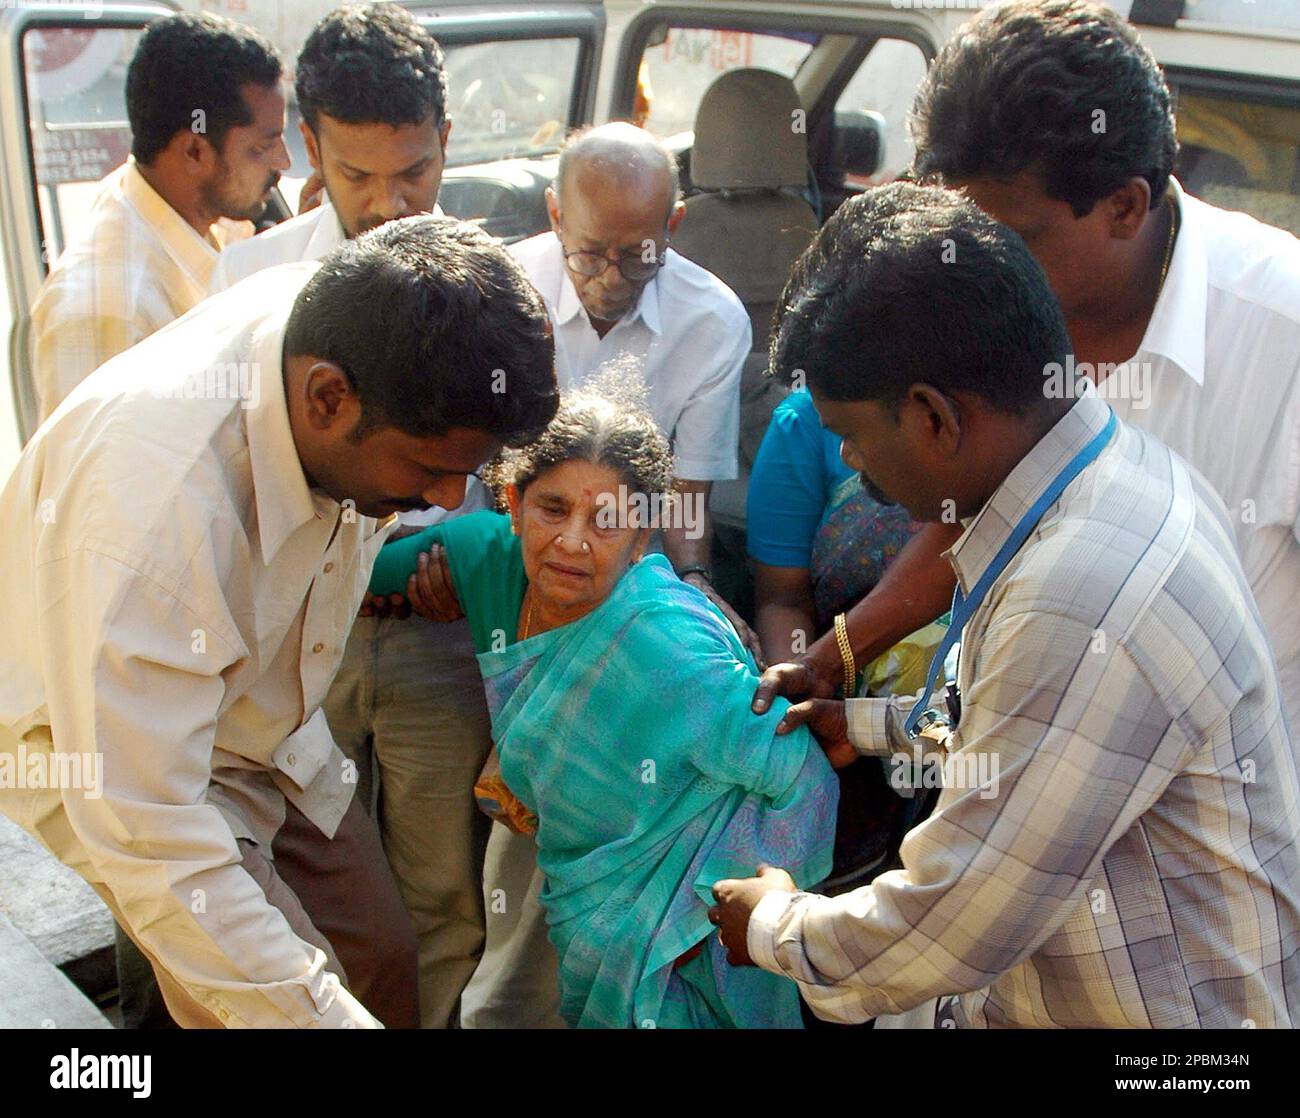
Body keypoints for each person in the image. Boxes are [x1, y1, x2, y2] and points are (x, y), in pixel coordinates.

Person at [708, 181, 1300, 1029]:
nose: (848, 458)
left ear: (933, 419)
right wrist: (867, 722)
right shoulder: (1113, 473)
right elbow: (1023, 728)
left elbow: (948, 927)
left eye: (852, 433)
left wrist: (769, 923)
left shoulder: (1082, 594)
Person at [0, 216, 559, 1028]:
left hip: (263, 718)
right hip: (118, 757)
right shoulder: (155, 522)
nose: (445, 501)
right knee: (247, 995)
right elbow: (154, 837)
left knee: (377, 962)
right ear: (328, 397)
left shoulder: (348, 328)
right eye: (430, 469)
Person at [765, 0, 1300, 750]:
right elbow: (978, 513)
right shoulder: (985, 298)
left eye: (1007, 235)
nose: (972, 260)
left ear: (1124, 206)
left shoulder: (1283, 332)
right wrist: (833, 658)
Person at [369, 384, 837, 1028]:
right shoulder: (481, 554)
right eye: (552, 509)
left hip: (690, 950)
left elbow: (802, 779)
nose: (572, 541)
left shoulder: (667, 642)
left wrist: (725, 912)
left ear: (643, 533)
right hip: (584, 912)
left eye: (607, 519)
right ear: (513, 504)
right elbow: (355, 571)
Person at [210, 4, 487, 1030]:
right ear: (310, 147)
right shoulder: (247, 280)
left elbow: (502, 470)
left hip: (435, 635)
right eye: (357, 176)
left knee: (441, 896)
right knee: (306, 902)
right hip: (287, 651)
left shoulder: (481, 278)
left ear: (445, 143)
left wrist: (466, 544)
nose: (387, 203)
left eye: (412, 172)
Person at [30, 11, 290, 422]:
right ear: (193, 152)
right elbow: (103, 481)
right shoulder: (109, 313)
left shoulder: (192, 212)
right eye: (264, 147)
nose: (285, 162)